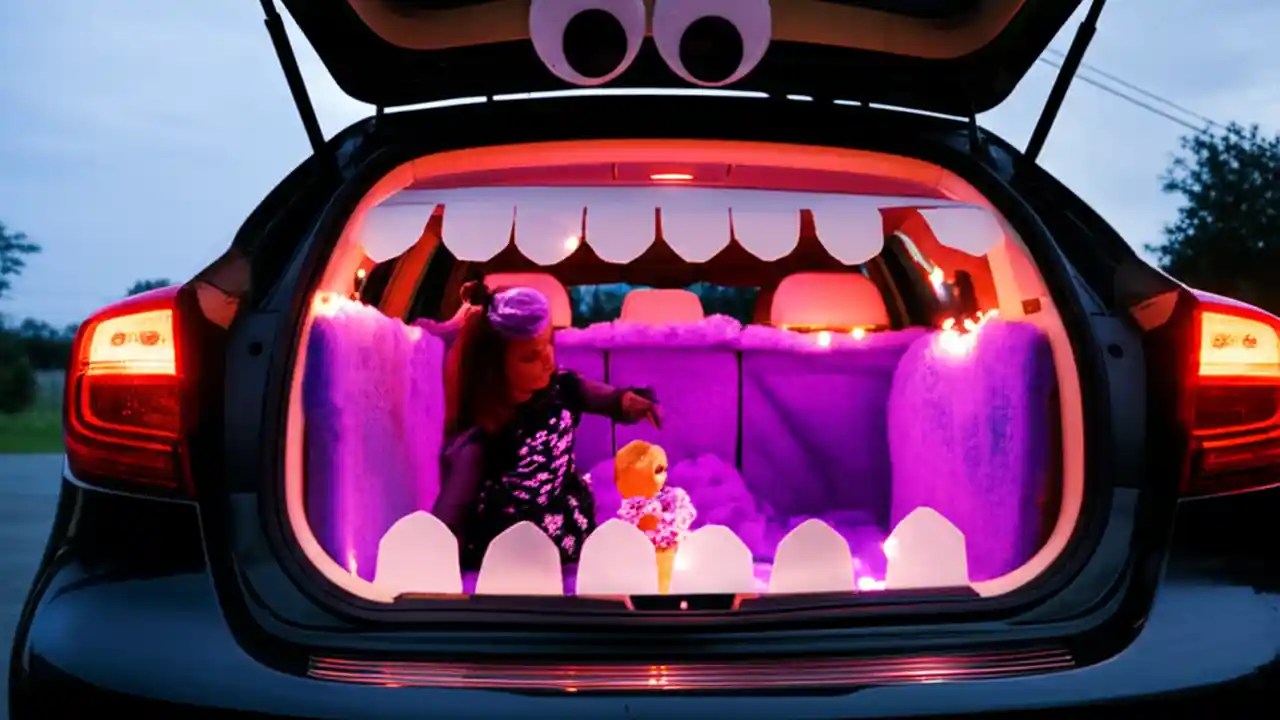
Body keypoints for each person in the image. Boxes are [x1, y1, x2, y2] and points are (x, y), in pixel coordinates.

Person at [433, 282, 662, 569]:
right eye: (530, 356)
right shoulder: (484, 436)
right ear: (493, 369)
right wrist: (439, 565)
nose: (546, 361)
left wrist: (626, 401)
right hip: (511, 542)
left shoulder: (562, 387)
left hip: (565, 513)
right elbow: (450, 516)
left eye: (549, 345)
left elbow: (600, 397)